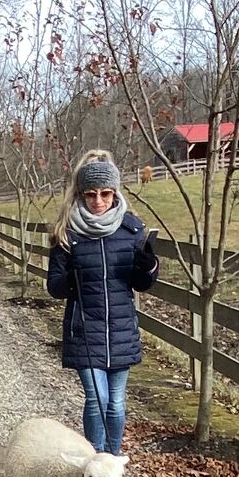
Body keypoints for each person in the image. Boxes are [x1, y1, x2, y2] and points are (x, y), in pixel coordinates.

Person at [45, 151, 160, 453]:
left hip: (121, 330)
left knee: (118, 403)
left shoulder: (132, 229)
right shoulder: (66, 234)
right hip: (85, 329)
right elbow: (54, 286)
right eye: (91, 194)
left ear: (115, 192)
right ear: (81, 195)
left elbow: (142, 283)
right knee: (98, 399)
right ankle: (94, 459)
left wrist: (148, 263)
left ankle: (113, 461)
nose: (98, 201)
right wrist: (75, 277)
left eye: (105, 193)